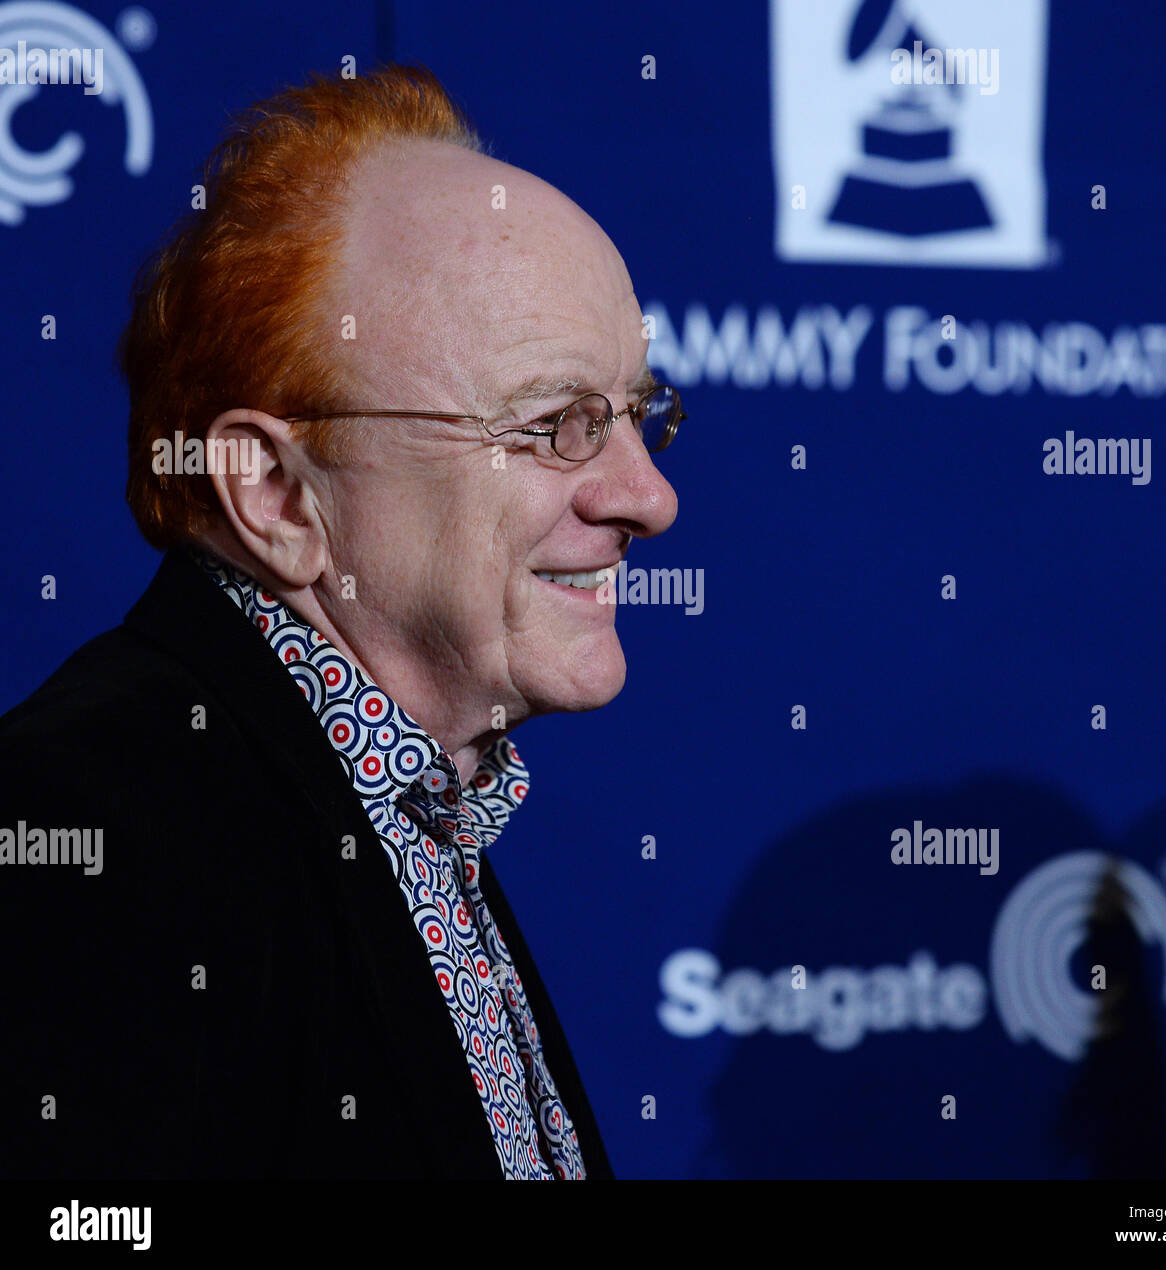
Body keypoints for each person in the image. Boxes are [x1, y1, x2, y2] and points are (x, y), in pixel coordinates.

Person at [0, 64, 681, 1180]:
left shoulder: (408, 809)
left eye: (641, 416)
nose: (648, 497)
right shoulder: (92, 840)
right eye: (558, 422)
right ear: (275, 492)